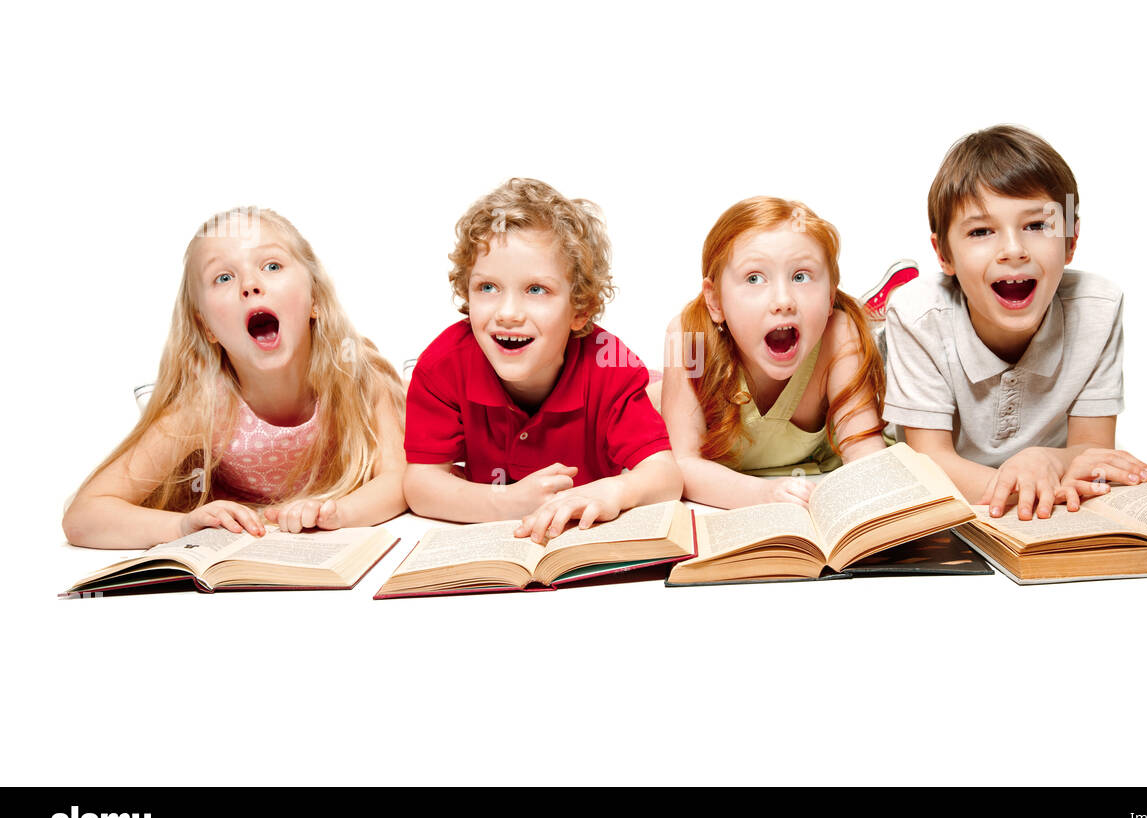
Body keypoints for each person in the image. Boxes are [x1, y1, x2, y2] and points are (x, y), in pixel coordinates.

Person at [63, 208, 407, 548]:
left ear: (314, 297)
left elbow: (397, 478)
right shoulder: (202, 410)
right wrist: (183, 525)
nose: (250, 285)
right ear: (206, 327)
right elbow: (84, 517)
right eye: (223, 278)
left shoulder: (358, 376)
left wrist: (336, 513)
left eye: (272, 266)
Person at [883, 125, 1147, 520]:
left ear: (1071, 242)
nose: (1013, 250)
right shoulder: (917, 315)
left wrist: (1043, 460)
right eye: (981, 231)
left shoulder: (1098, 308)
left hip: (1021, 480)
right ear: (944, 255)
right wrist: (1035, 482)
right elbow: (928, 462)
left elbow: (1093, 452)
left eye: (1036, 225)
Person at [403, 178, 682, 542]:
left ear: (580, 309)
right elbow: (420, 485)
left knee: (658, 396)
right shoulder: (443, 364)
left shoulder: (611, 366)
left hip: (629, 398)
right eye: (487, 287)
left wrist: (614, 491)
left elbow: (666, 476)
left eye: (536, 289)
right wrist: (509, 501)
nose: (507, 313)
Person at [660, 196, 886, 508]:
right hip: (658, 402)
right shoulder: (686, 338)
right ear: (715, 302)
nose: (783, 300)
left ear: (831, 293)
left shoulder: (838, 334)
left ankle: (884, 322)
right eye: (754, 278)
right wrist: (763, 495)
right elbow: (683, 463)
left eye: (801, 276)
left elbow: (864, 449)